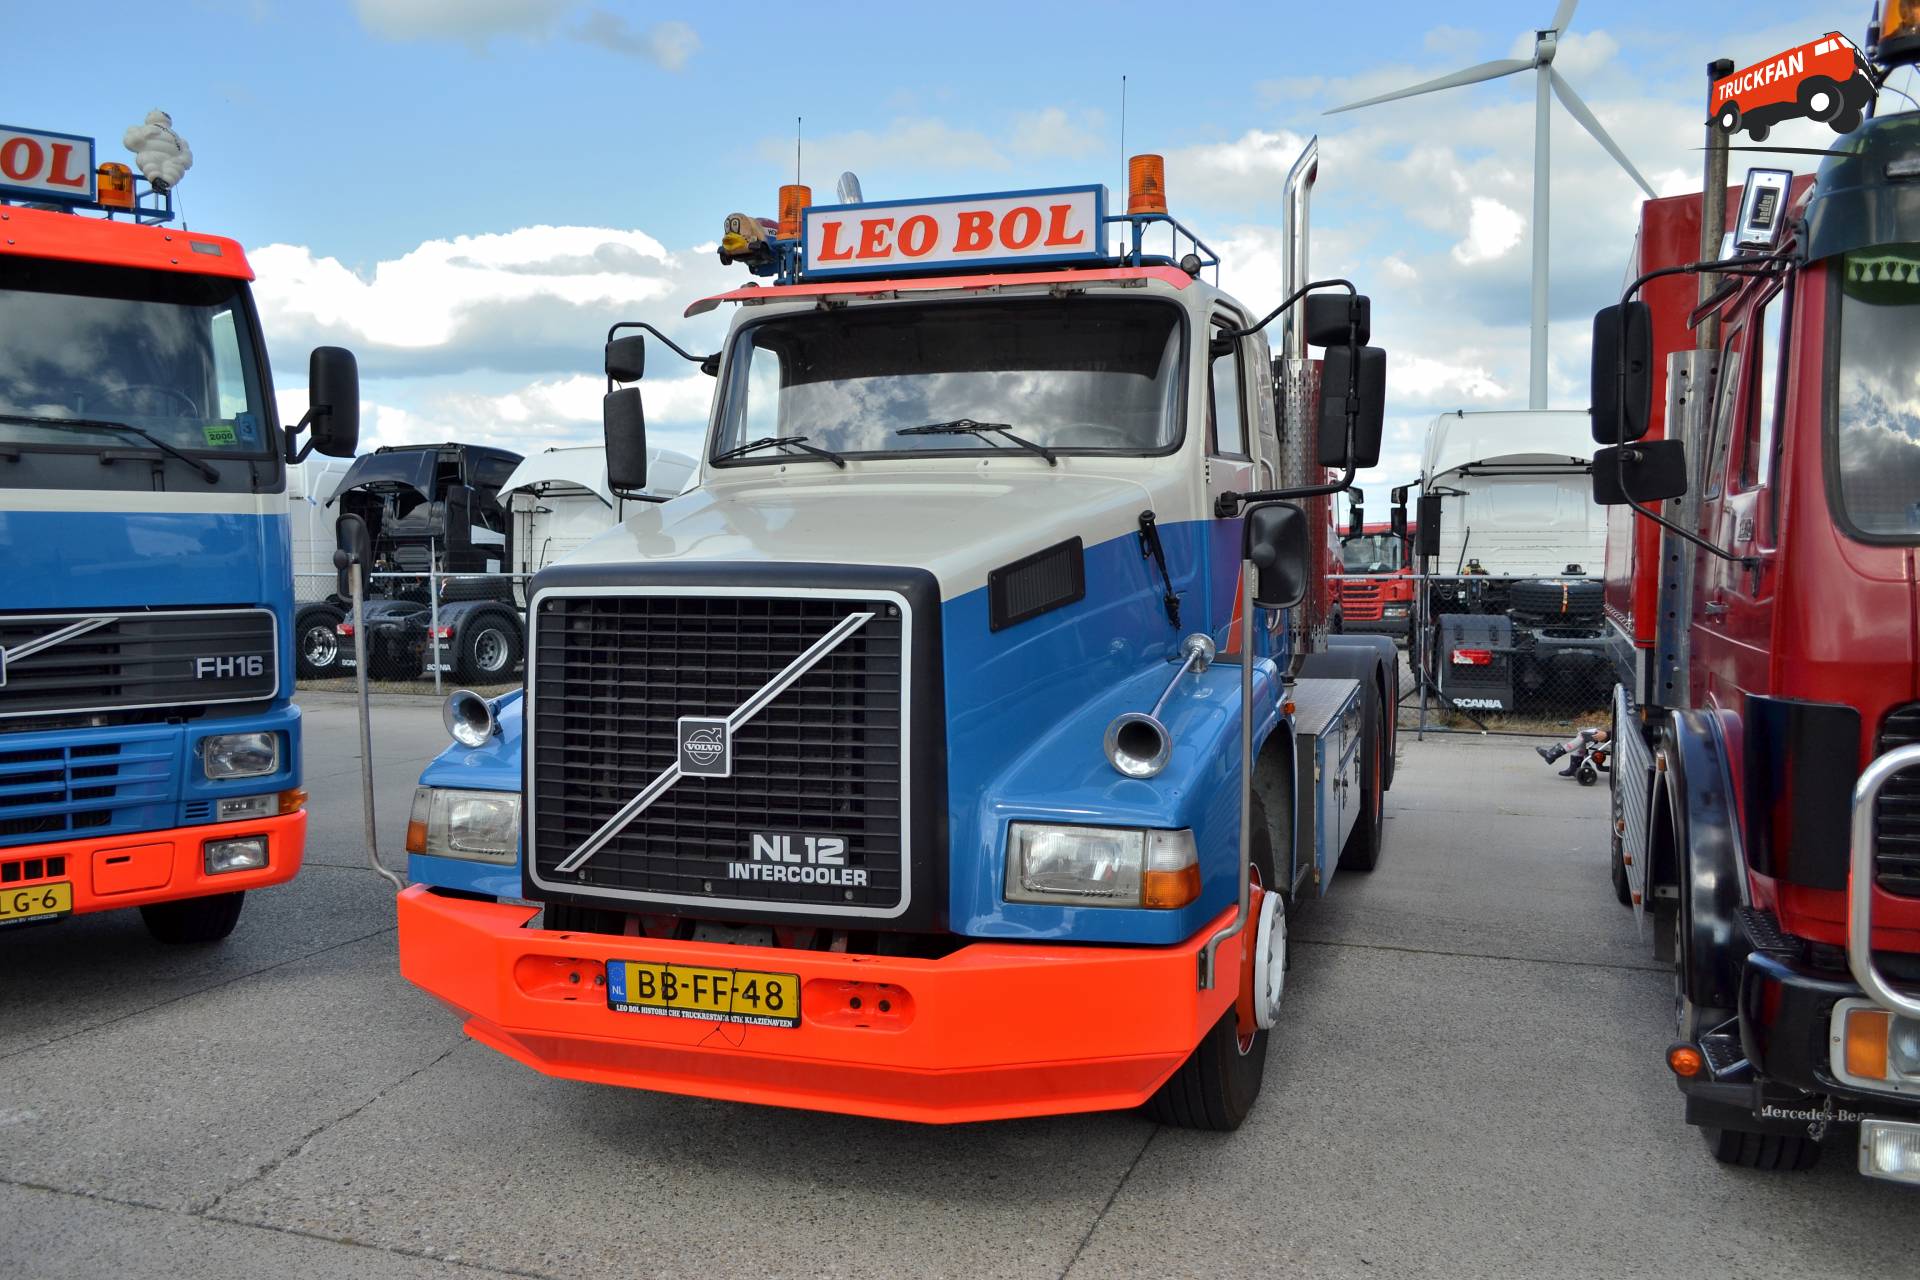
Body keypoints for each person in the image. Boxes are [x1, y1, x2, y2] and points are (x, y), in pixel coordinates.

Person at [1536, 727, 1608, 777]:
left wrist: (1607, 734)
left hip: (1613, 736)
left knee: (1582, 735)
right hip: (1613, 734)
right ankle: (1574, 766)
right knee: (1582, 734)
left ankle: (1553, 755)